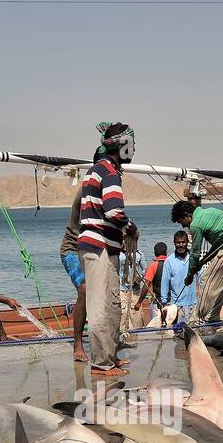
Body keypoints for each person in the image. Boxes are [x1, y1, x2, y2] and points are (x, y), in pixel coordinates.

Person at [78, 121, 136, 375]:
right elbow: (114, 211)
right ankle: (101, 364)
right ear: (123, 147)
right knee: (102, 306)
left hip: (102, 247)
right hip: (99, 246)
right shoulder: (110, 173)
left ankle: (109, 356)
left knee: (112, 303)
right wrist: (131, 227)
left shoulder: (97, 169)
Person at [170, 200, 223, 323]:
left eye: (182, 222)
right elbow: (218, 244)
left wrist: (190, 275)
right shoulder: (209, 211)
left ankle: (197, 319)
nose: (183, 226)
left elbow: (195, 252)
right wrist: (202, 262)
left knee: (205, 279)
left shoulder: (195, 224)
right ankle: (213, 316)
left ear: (186, 215)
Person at [59, 187, 88, 362]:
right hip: (72, 250)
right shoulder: (86, 191)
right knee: (84, 291)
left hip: (89, 251)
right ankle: (78, 344)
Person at [159, 231, 199, 328]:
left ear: (187, 242)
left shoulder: (194, 258)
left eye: (183, 242)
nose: (181, 245)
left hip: (194, 304)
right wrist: (164, 302)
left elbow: (202, 278)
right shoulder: (169, 261)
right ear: (174, 243)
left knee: (194, 333)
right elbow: (165, 282)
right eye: (178, 242)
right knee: (177, 335)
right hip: (177, 306)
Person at [118, 225, 148, 338]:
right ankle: (122, 336)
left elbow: (145, 269)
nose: (124, 243)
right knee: (123, 313)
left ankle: (137, 337)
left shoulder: (139, 255)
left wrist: (140, 277)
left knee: (135, 315)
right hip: (121, 289)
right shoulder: (118, 255)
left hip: (134, 290)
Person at [135, 242, 168, 325]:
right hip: (171, 301)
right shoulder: (171, 263)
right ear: (166, 252)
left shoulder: (154, 265)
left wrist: (139, 302)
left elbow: (146, 286)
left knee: (157, 328)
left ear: (155, 253)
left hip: (158, 302)